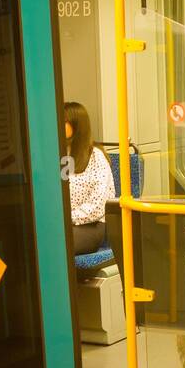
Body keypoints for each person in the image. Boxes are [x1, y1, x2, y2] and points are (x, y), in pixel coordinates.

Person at [63, 101, 115, 255]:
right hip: (65, 224)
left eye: (63, 121)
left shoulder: (96, 156)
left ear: (77, 125)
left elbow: (98, 206)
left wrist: (67, 218)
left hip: (91, 225)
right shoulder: (64, 156)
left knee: (57, 244)